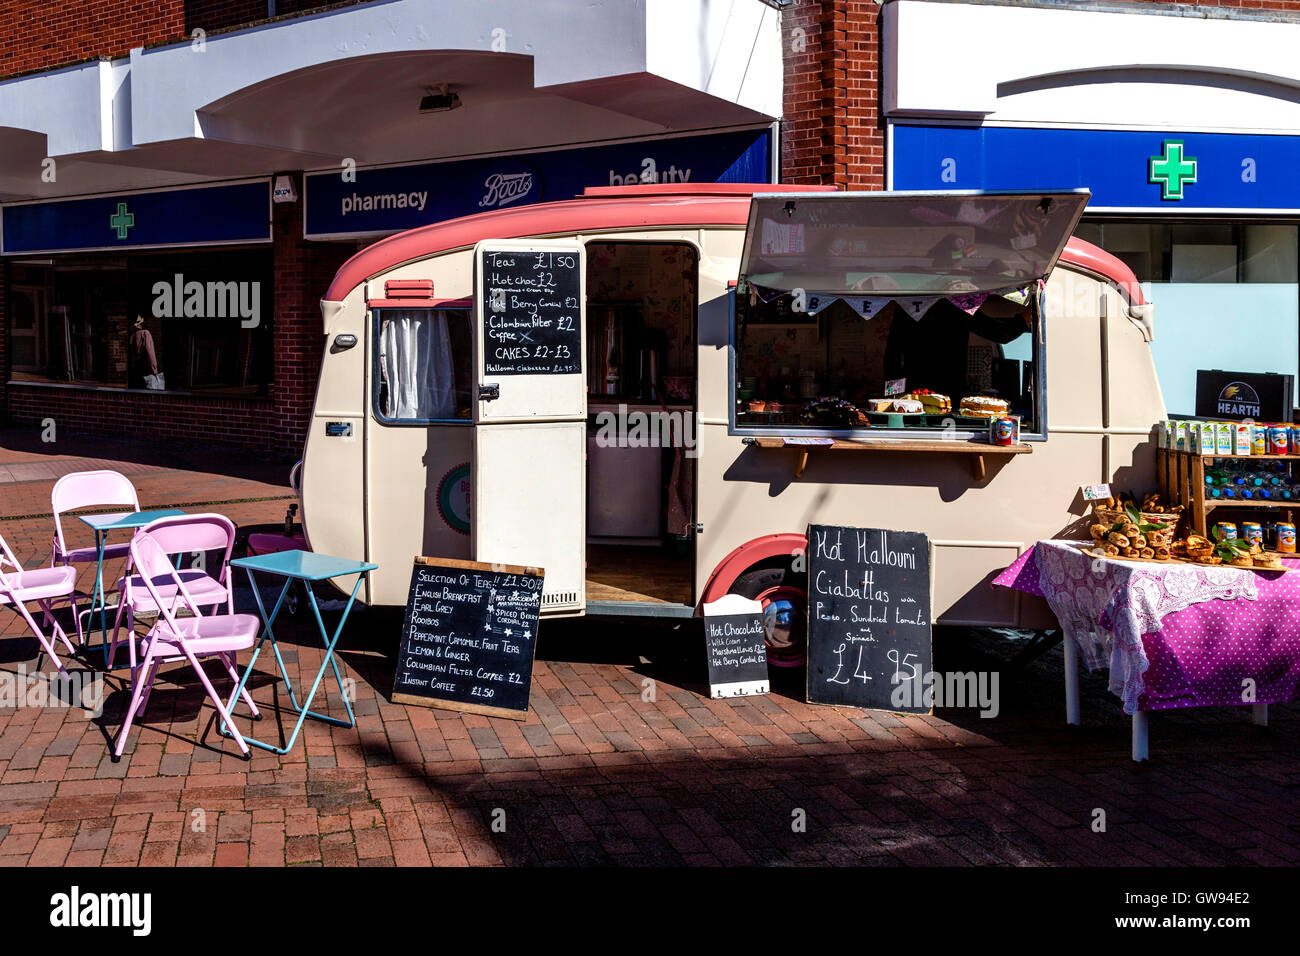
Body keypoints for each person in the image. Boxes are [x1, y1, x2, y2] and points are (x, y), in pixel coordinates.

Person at [130, 316, 160, 389]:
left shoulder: (132, 336)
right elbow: (150, 352)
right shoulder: (145, 333)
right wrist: (154, 369)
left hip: (134, 366)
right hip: (145, 365)